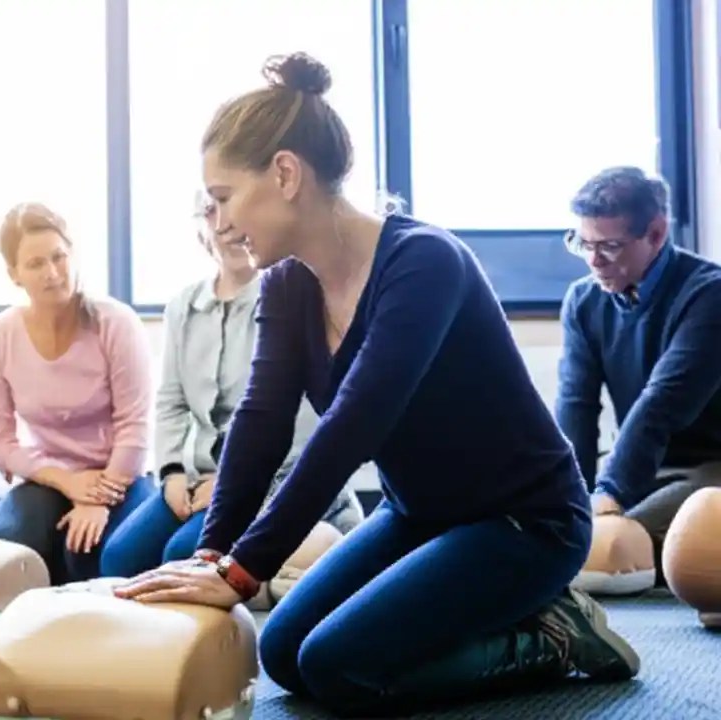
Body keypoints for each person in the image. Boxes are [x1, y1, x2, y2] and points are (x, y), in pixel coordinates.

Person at [115, 52, 640, 717]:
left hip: (525, 523)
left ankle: (553, 636)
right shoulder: (285, 284)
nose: (217, 222)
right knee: (284, 653)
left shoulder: (424, 263)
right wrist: (214, 552)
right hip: (418, 514)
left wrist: (244, 571)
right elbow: (262, 420)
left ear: (284, 174)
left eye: (223, 198)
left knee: (338, 665)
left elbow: (354, 424)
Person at [100, 189, 362, 579]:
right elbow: (170, 402)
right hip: (194, 478)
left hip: (270, 478)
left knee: (181, 553)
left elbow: (303, 419)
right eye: (210, 211)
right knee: (120, 557)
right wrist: (171, 474)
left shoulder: (289, 295)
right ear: (201, 229)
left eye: (235, 207)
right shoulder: (183, 307)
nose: (226, 223)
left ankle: (205, 640)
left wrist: (229, 484)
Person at [0, 202, 156, 584]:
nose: (53, 273)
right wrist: (67, 482)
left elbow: (135, 428)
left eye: (59, 257)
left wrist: (98, 497)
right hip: (50, 477)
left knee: (90, 558)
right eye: (36, 264)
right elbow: (0, 443)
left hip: (121, 476)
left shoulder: (117, 323)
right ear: (14, 274)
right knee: (12, 552)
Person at [557, 166, 721, 582]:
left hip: (709, 468)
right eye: (583, 243)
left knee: (612, 545)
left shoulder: (709, 294)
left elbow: (661, 404)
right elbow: (576, 409)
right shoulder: (583, 301)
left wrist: (609, 498)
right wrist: (566, 502)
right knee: (559, 530)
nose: (594, 261)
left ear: (656, 234)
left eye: (609, 246)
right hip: (640, 465)